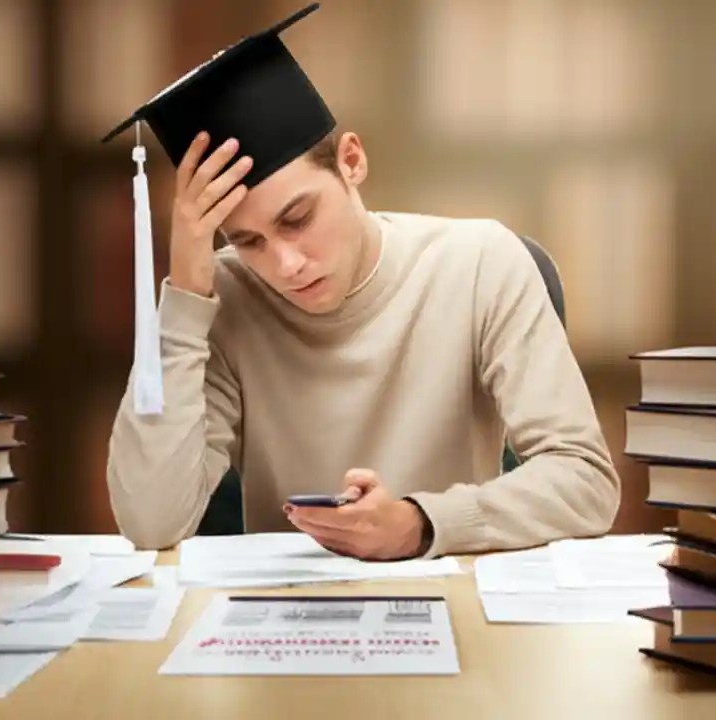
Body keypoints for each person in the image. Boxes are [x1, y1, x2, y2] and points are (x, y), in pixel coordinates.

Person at [103, 3, 620, 560]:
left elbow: (585, 482)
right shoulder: (224, 301)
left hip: (454, 601)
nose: (286, 265)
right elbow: (151, 523)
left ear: (351, 162)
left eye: (297, 219)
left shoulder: (481, 264)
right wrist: (185, 296)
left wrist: (423, 523)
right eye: (247, 242)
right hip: (283, 617)